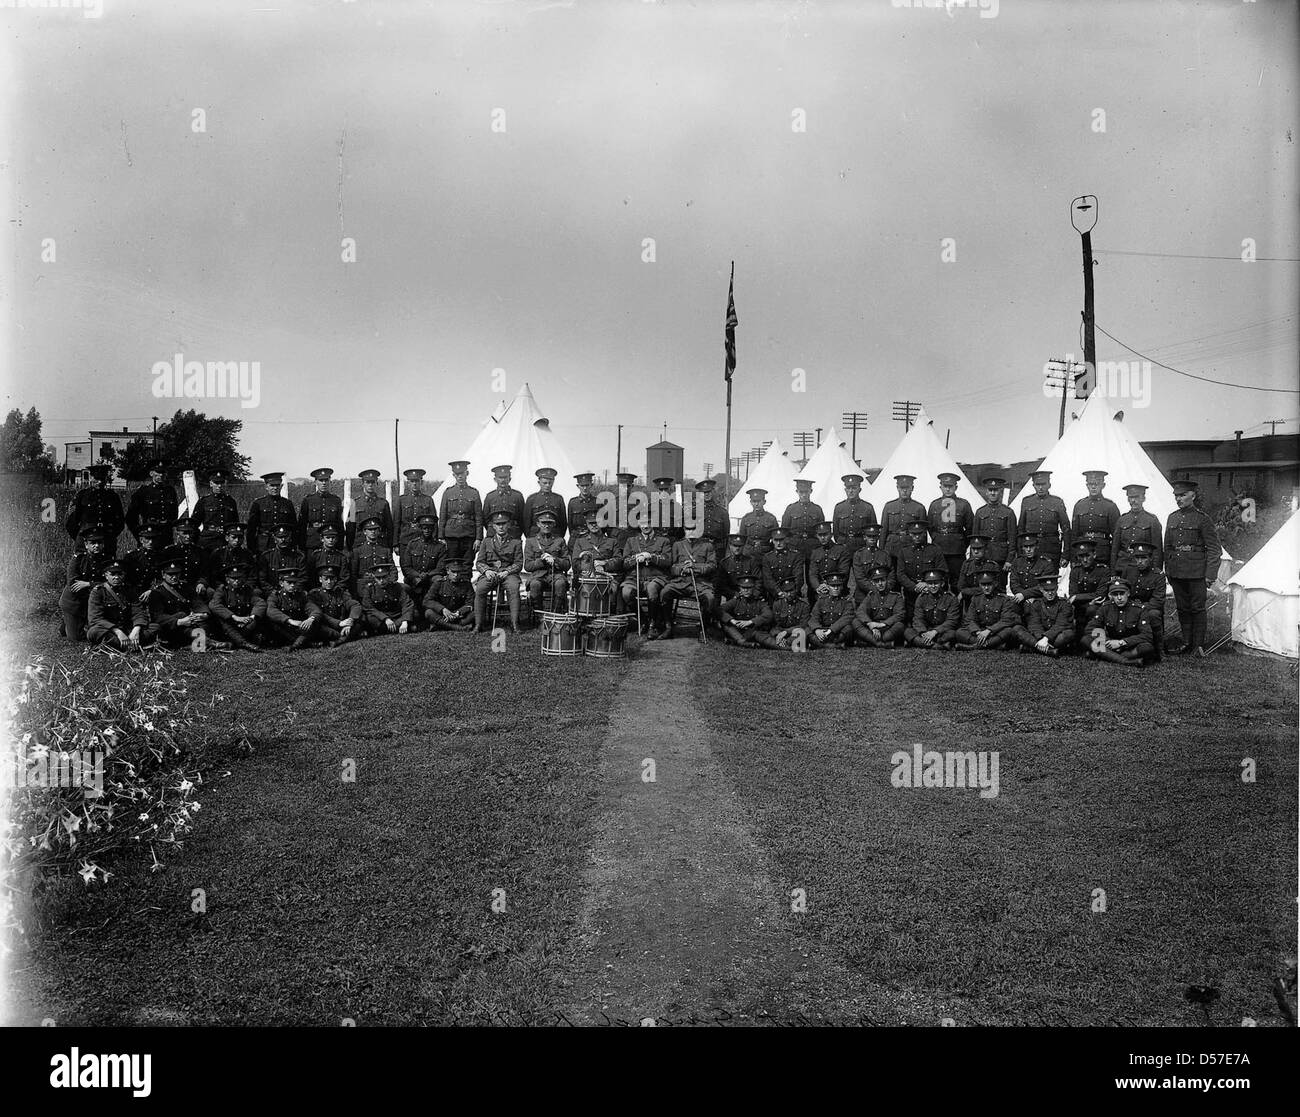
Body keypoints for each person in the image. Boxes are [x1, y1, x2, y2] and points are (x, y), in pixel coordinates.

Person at [1164, 479, 1222, 656]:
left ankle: (1198, 646)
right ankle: (1186, 642)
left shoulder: (1203, 519)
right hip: (1177, 572)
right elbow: (1168, 546)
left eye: (1182, 495)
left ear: (1193, 495)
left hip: (1197, 573)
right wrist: (1169, 570)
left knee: (1197, 608)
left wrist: (1210, 575)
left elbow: (1214, 549)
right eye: (1176, 496)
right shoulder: (1172, 517)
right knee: (1182, 608)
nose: (1178, 499)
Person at [617, 519, 672, 638]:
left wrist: (651, 557)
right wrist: (635, 558)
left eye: (648, 522)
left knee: (652, 590)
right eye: (642, 523)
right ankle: (642, 621)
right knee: (626, 593)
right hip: (635, 577)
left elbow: (668, 561)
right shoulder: (631, 541)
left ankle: (653, 625)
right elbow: (624, 563)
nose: (645, 526)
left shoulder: (663, 541)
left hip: (655, 577)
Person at [1085, 577, 1155, 667]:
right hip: (1109, 645)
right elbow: (1090, 629)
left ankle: (1104, 656)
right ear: (1111, 596)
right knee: (1086, 639)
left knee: (1146, 648)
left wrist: (1121, 643)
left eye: (1122, 594)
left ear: (1128, 593)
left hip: (1129, 646)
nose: (1119, 598)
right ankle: (1125, 661)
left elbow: (1147, 635)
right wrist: (1108, 641)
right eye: (1115, 594)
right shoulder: (1105, 607)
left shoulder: (1139, 609)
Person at [473, 511, 524, 633]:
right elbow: (479, 562)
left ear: (509, 525)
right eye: (498, 524)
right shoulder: (487, 542)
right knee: (480, 588)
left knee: (513, 588)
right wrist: (486, 571)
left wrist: (507, 571)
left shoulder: (516, 542)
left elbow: (518, 563)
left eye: (503, 523)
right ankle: (478, 624)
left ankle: (515, 624)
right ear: (493, 526)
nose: (501, 527)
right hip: (491, 573)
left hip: (508, 575)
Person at [661, 531, 718, 639]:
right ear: (684, 529)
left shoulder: (707, 545)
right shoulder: (677, 545)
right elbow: (671, 566)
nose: (691, 532)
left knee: (710, 598)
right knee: (665, 592)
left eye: (694, 528)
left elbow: (712, 566)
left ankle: (703, 629)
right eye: (688, 528)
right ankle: (668, 627)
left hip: (700, 583)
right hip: (681, 582)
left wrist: (695, 567)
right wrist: (682, 569)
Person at [86, 562, 154, 649]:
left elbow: (138, 612)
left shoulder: (129, 590)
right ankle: (131, 645)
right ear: (106, 576)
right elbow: (95, 618)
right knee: (94, 632)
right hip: (109, 630)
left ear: (124, 575)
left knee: (155, 627)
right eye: (113, 574)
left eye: (120, 574)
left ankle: (124, 644)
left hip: (127, 629)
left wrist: (136, 629)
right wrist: (117, 631)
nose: (116, 577)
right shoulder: (98, 592)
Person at [59, 529, 111, 641]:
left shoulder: (106, 561)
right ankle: (68, 622)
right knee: (76, 638)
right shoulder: (77, 560)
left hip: (91, 603)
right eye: (92, 543)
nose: (96, 546)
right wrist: (97, 585)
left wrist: (88, 584)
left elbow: (110, 583)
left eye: (99, 543)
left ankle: (71, 623)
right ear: (86, 545)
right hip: (74, 603)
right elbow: (73, 585)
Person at [1011, 572, 1076, 657]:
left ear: (1056, 588)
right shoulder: (1036, 604)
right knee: (1017, 629)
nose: (1050, 593)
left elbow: (1061, 624)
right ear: (1041, 590)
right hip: (1040, 636)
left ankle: (1032, 647)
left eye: (1052, 590)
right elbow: (1034, 625)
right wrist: (1041, 639)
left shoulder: (1064, 604)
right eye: (1046, 590)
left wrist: (1046, 638)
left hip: (1055, 636)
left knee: (1068, 634)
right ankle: (1049, 651)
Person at [1120, 541, 1166, 659]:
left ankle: (1159, 650)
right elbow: (1122, 589)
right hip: (1129, 606)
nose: (1139, 561)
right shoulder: (1128, 570)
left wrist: (1140, 609)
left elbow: (1158, 600)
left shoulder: (1158, 575)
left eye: (1143, 558)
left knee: (1154, 614)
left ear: (1150, 558)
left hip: (1147, 608)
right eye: (1137, 557)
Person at [206, 561, 266, 651]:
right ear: (227, 579)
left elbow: (260, 603)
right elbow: (214, 605)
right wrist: (234, 617)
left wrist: (251, 617)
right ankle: (244, 643)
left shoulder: (247, 590)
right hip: (229, 625)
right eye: (233, 578)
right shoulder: (222, 590)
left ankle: (235, 642)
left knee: (256, 619)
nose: (237, 581)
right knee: (222, 620)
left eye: (239, 578)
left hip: (244, 624)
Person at [65, 463, 125, 554]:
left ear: (106, 479)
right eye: (97, 479)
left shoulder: (113, 496)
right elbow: (71, 521)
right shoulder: (82, 496)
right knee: (80, 565)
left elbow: (120, 522)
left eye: (102, 479)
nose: (100, 482)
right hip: (86, 541)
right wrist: (81, 537)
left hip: (107, 540)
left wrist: (110, 535)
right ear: (91, 478)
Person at [148, 560, 208, 649]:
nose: (174, 577)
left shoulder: (185, 587)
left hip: (190, 621)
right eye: (170, 575)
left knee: (206, 621)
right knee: (181, 616)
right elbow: (157, 617)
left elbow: (197, 602)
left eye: (176, 574)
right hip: (172, 627)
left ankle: (198, 644)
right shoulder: (157, 592)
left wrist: (203, 614)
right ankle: (208, 642)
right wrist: (179, 622)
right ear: (163, 575)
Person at [1017, 470, 1070, 568]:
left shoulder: (1057, 502)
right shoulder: (1027, 502)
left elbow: (1066, 529)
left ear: (1049, 485)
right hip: (1031, 549)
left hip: (1051, 549)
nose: (1040, 488)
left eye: (1043, 484)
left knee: (1050, 580)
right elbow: (1021, 529)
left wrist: (1066, 554)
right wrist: (1020, 553)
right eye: (1037, 484)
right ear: (1033, 485)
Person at [928, 472, 974, 583]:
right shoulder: (934, 504)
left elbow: (970, 527)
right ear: (941, 487)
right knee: (939, 579)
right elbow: (930, 526)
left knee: (957, 580)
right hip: (939, 548)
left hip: (957, 549)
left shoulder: (964, 504)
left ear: (956, 487)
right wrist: (936, 538)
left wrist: (962, 542)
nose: (948, 489)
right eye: (945, 486)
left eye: (950, 486)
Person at [953, 572, 1017, 650]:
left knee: (1009, 631)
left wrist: (989, 630)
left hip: (996, 632)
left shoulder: (1003, 599)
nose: (986, 588)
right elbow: (969, 620)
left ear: (995, 584)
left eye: (989, 585)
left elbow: (1006, 620)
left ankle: (974, 646)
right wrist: (977, 632)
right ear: (980, 585)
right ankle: (992, 645)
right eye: (983, 585)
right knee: (959, 632)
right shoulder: (976, 599)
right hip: (980, 631)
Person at [523, 510, 571, 612]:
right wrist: (542, 560)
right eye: (544, 523)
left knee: (561, 584)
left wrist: (554, 559)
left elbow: (567, 564)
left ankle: (555, 615)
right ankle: (540, 617)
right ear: (538, 524)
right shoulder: (531, 541)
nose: (546, 526)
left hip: (556, 575)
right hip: (538, 575)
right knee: (535, 585)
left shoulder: (560, 541)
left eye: (549, 523)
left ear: (553, 524)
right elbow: (527, 566)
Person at [265, 567, 324, 649]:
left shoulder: (301, 595)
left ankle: (295, 645)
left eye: (294, 582)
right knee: (271, 623)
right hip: (283, 628)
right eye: (289, 582)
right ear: (281, 583)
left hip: (297, 627)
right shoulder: (275, 596)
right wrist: (289, 620)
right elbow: (271, 611)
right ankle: (302, 644)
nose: (292, 585)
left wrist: (311, 618)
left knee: (315, 622)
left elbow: (314, 608)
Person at [438, 459, 484, 563]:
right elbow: (442, 516)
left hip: (469, 535)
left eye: (462, 473)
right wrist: (441, 537)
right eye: (457, 474)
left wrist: (478, 538)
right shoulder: (448, 493)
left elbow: (479, 517)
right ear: (453, 475)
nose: (460, 476)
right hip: (451, 536)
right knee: (451, 564)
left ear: (467, 473)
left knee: (467, 565)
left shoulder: (474, 493)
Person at [1111, 483, 1164, 572]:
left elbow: (1157, 550)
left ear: (1143, 498)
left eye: (1136, 497)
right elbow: (1115, 548)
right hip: (1123, 566)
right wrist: (1113, 571)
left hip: (1144, 567)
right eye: (1131, 498)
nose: (1133, 501)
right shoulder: (1122, 520)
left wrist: (1156, 570)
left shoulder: (1152, 520)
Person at [124, 459, 179, 545]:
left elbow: (174, 515)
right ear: (151, 473)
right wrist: (140, 535)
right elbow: (131, 518)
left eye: (163, 472)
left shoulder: (170, 491)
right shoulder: (143, 492)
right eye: (158, 472)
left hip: (166, 537)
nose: (161, 475)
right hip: (149, 535)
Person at [972, 473, 1017, 578]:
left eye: (996, 490)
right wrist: (974, 558)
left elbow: (1012, 538)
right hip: (983, 556)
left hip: (1001, 557)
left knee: (1000, 586)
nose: (993, 493)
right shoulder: (980, 512)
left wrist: (1009, 560)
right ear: (986, 492)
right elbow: (975, 538)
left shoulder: (1008, 512)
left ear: (1000, 492)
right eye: (990, 490)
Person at [894, 518, 944, 611]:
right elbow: (900, 575)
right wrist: (914, 587)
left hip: (931, 593)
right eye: (914, 534)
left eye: (919, 534)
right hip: (910, 594)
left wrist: (926, 584)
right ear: (909, 534)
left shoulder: (935, 550)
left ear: (925, 533)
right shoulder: (903, 551)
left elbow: (942, 571)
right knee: (909, 620)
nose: (916, 537)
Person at [401, 514, 448, 612]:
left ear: (433, 529)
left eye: (429, 528)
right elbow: (406, 566)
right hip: (414, 577)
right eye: (424, 528)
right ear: (420, 528)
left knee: (438, 580)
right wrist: (417, 575)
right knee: (405, 587)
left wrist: (427, 575)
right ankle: (413, 609)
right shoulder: (412, 544)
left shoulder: (440, 546)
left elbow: (441, 568)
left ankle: (434, 609)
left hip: (431, 577)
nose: (427, 530)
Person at [904, 568, 961, 650]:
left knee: (953, 633)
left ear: (942, 583)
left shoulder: (951, 598)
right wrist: (924, 633)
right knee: (908, 631)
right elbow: (918, 619)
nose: (933, 586)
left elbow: (952, 620)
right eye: (930, 583)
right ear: (926, 584)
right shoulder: (921, 598)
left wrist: (935, 632)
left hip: (942, 631)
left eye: (936, 583)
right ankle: (938, 646)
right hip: (926, 629)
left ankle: (920, 643)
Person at [308, 562, 361, 647]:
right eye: (326, 579)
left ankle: (338, 640)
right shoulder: (314, 594)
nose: (329, 582)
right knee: (315, 626)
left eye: (332, 579)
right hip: (326, 626)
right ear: (320, 579)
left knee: (359, 622)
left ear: (335, 579)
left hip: (342, 625)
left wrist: (350, 621)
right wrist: (339, 623)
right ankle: (342, 638)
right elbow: (320, 614)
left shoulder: (341, 593)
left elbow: (355, 605)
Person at [1071, 470, 1121, 559]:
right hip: (1083, 552)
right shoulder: (1079, 505)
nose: (1093, 487)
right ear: (1087, 485)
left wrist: (1113, 558)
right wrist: (1074, 558)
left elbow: (1116, 536)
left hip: (1102, 551)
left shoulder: (1110, 506)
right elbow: (1074, 534)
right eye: (1091, 484)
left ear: (1103, 485)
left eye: (1097, 484)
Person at [1067, 541, 1111, 640]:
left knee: (1093, 609)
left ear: (1094, 555)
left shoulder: (1103, 570)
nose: (1085, 560)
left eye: (1088, 556)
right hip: (1081, 605)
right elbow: (1072, 593)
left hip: (1097, 605)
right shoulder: (1075, 571)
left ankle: (1096, 641)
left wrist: (1077, 597)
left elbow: (1100, 594)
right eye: (1081, 557)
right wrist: (1087, 601)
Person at [852, 565, 905, 647]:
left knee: (900, 625)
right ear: (873, 582)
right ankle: (880, 643)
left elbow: (900, 614)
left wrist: (882, 624)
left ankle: (870, 641)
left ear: (887, 580)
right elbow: (860, 611)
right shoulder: (871, 596)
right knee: (855, 622)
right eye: (877, 581)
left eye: (882, 580)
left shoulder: (896, 596)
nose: (880, 584)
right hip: (873, 629)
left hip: (888, 628)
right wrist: (870, 624)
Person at [247, 472, 297, 554]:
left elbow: (293, 527)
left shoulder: (288, 504)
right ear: (266, 486)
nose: (275, 488)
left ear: (281, 486)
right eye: (272, 485)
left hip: (283, 543)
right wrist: (252, 548)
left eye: (277, 485)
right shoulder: (258, 503)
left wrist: (294, 545)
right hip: (264, 545)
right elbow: (251, 529)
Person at [190, 470, 240, 554]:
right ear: (211, 484)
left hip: (225, 541)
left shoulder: (231, 501)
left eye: (221, 483)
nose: (219, 486)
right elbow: (194, 523)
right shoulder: (204, 501)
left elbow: (235, 523)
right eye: (216, 483)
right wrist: (195, 542)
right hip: (208, 540)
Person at [1006, 534, 1055, 616]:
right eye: (1026, 547)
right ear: (1022, 548)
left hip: (1039, 599)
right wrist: (1023, 596)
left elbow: (1044, 585)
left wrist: (1025, 595)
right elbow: (1014, 583)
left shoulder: (1046, 563)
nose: (1028, 550)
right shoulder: (1017, 562)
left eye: (1031, 546)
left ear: (1037, 546)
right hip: (1020, 599)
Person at [717, 574, 771, 648]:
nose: (746, 590)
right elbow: (719, 610)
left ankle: (738, 642)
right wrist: (732, 620)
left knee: (760, 635)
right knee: (726, 624)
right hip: (736, 630)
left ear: (753, 588)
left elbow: (768, 615)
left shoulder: (760, 602)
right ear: (740, 588)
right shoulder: (736, 601)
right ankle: (743, 642)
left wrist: (750, 622)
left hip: (750, 631)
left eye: (749, 588)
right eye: (743, 588)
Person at [879, 474, 926, 559]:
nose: (904, 491)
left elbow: (923, 533)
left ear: (912, 488)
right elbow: (883, 531)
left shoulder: (919, 508)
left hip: (910, 546)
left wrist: (922, 552)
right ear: (897, 488)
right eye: (902, 488)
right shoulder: (889, 506)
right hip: (891, 547)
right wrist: (881, 551)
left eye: (907, 488)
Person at [755, 578, 811, 650]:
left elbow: (803, 624)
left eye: (791, 591)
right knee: (770, 633)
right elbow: (775, 624)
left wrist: (786, 632)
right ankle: (788, 645)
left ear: (796, 590)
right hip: (780, 632)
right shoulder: (777, 604)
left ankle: (781, 644)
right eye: (786, 591)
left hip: (795, 632)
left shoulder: (804, 605)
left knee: (803, 633)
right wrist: (778, 634)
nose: (789, 594)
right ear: (782, 592)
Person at [299, 467, 345, 553]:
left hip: (331, 542)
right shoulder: (308, 500)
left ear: (330, 481)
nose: (324, 483)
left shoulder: (336, 500)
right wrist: (301, 545)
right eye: (321, 480)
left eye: (326, 480)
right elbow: (302, 524)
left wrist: (340, 544)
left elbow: (340, 524)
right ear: (315, 482)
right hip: (313, 541)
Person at [781, 478, 825, 566]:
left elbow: (822, 531)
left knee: (811, 574)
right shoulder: (790, 509)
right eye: (801, 492)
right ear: (797, 491)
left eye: (806, 492)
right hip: (794, 547)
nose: (804, 495)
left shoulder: (817, 509)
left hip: (812, 547)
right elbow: (784, 531)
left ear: (811, 491)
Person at [257, 524, 308, 598]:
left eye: (285, 537)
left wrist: (292, 589)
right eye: (280, 537)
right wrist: (274, 592)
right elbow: (262, 580)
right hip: (273, 595)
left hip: (294, 594)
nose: (283, 540)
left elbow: (303, 578)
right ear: (274, 539)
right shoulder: (267, 556)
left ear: (290, 538)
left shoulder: (299, 557)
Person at [347, 469, 393, 551]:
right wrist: (349, 548)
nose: (370, 485)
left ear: (377, 484)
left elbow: (389, 527)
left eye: (373, 482)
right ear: (363, 484)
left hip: (380, 544)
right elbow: (350, 528)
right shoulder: (355, 503)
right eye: (367, 482)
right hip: (360, 544)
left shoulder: (383, 504)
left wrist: (389, 547)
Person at [164, 520, 211, 602]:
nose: (188, 536)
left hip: (194, 586)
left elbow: (205, 572)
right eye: (184, 533)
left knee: (210, 592)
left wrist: (201, 583)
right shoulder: (169, 551)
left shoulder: (200, 551)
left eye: (190, 533)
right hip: (175, 586)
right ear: (177, 533)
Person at [806, 572, 855, 649]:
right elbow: (814, 617)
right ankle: (834, 645)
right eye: (833, 586)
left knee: (848, 628)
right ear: (828, 586)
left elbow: (847, 618)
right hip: (823, 630)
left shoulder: (847, 602)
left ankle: (820, 644)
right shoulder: (821, 601)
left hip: (837, 632)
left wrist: (831, 630)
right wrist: (817, 629)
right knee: (807, 629)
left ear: (842, 586)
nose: (835, 588)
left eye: (838, 585)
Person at [394, 467, 437, 553]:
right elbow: (396, 523)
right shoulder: (401, 500)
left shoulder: (428, 500)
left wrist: (434, 541)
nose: (414, 484)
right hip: (405, 539)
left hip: (423, 539)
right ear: (408, 483)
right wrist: (395, 544)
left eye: (417, 481)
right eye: (412, 481)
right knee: (406, 565)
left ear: (421, 482)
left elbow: (434, 522)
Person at [832, 473, 876, 557]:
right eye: (848, 488)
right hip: (843, 546)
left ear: (859, 489)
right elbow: (836, 531)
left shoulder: (867, 507)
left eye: (854, 488)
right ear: (845, 489)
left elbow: (873, 529)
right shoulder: (839, 507)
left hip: (861, 547)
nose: (851, 491)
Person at [425, 560, 475, 632]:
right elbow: (427, 600)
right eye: (453, 572)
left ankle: (441, 625)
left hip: (458, 616)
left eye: (458, 572)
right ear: (448, 571)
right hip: (442, 615)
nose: (456, 575)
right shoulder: (439, 583)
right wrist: (443, 609)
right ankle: (458, 628)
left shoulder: (466, 584)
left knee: (475, 613)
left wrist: (458, 613)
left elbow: (470, 603)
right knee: (429, 613)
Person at [121, 525, 167, 602]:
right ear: (141, 540)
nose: (151, 542)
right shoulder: (131, 557)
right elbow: (124, 579)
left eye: (153, 539)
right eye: (147, 538)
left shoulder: (161, 557)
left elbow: (163, 579)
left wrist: (153, 590)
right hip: (132, 593)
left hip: (153, 593)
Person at [349, 517, 394, 596]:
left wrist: (390, 582)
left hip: (383, 585)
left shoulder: (385, 550)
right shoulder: (357, 551)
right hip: (364, 587)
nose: (373, 532)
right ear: (364, 532)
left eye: (375, 529)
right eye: (370, 529)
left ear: (379, 531)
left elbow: (393, 569)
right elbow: (353, 574)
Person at [851, 523, 894, 603]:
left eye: (874, 536)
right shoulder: (858, 555)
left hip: (884, 594)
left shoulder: (885, 554)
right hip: (864, 595)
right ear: (864, 537)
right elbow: (860, 578)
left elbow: (891, 576)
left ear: (878, 537)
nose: (872, 539)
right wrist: (875, 589)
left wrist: (884, 588)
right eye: (869, 536)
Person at [483, 464, 526, 542]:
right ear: (495, 479)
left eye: (505, 477)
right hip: (494, 536)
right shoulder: (490, 497)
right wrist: (495, 528)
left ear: (510, 479)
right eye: (500, 478)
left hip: (513, 534)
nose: (503, 480)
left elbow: (522, 518)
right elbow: (486, 518)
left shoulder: (517, 496)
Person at [808, 522, 850, 602]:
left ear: (831, 534)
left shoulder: (841, 550)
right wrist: (818, 587)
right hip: (820, 592)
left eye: (825, 534)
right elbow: (813, 574)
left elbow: (843, 572)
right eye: (820, 535)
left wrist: (830, 586)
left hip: (837, 590)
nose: (823, 538)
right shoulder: (815, 552)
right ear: (817, 536)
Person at [205, 522, 255, 589]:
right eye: (233, 537)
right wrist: (223, 587)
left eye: (240, 537)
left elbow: (252, 576)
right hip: (223, 589)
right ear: (227, 538)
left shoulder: (248, 554)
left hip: (243, 589)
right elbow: (213, 576)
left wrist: (246, 587)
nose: (237, 540)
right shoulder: (218, 554)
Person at [761, 528, 806, 601]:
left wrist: (791, 593)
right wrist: (779, 592)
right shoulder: (767, 557)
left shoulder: (795, 556)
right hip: (774, 596)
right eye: (776, 540)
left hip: (792, 595)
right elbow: (768, 579)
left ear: (787, 540)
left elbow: (798, 577)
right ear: (772, 540)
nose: (778, 543)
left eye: (781, 540)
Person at [524, 468, 568, 540]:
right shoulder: (531, 499)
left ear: (553, 482)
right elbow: (526, 523)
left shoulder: (558, 499)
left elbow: (563, 523)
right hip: (535, 537)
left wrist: (558, 539)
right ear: (539, 482)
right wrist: (531, 539)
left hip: (555, 537)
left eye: (550, 483)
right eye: (545, 483)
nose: (547, 485)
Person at [717, 533, 760, 605]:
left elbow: (758, 580)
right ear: (730, 546)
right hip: (732, 599)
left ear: (743, 546)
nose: (737, 548)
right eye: (735, 546)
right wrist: (733, 594)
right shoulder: (724, 563)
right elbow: (721, 584)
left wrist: (753, 594)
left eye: (740, 546)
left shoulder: (751, 561)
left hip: (750, 598)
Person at [956, 534, 1000, 602]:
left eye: (979, 549)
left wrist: (966, 591)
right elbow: (960, 587)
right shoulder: (966, 564)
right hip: (969, 600)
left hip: (988, 600)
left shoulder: (992, 566)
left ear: (985, 549)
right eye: (973, 549)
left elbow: (993, 588)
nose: (976, 552)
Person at [306, 524, 351, 589]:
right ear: (322, 539)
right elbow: (311, 576)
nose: (330, 540)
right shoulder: (315, 556)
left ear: (336, 539)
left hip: (336, 591)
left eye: (333, 538)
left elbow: (344, 577)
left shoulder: (341, 557)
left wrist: (337, 588)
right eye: (327, 537)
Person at [738, 487, 778, 559]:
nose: (756, 504)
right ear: (750, 502)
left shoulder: (771, 518)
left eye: (759, 501)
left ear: (764, 502)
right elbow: (742, 538)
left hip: (765, 553)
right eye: (754, 501)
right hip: (748, 553)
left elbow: (776, 538)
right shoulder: (746, 518)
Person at [696, 478, 731, 558]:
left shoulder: (722, 512)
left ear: (713, 492)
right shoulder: (694, 511)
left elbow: (726, 535)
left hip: (717, 549)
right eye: (704, 492)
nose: (706, 494)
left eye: (708, 492)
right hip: (700, 548)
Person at [649, 476, 684, 542]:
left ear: (670, 490)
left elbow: (681, 527)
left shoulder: (677, 507)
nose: (664, 492)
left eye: (666, 489)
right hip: (655, 541)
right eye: (661, 490)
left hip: (672, 540)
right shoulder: (651, 507)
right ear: (657, 491)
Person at [567, 472, 600, 538]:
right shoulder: (573, 503)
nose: (585, 488)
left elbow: (602, 523)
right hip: (577, 537)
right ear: (578, 486)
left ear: (591, 485)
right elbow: (570, 524)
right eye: (582, 486)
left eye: (587, 485)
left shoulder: (597, 502)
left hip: (593, 537)